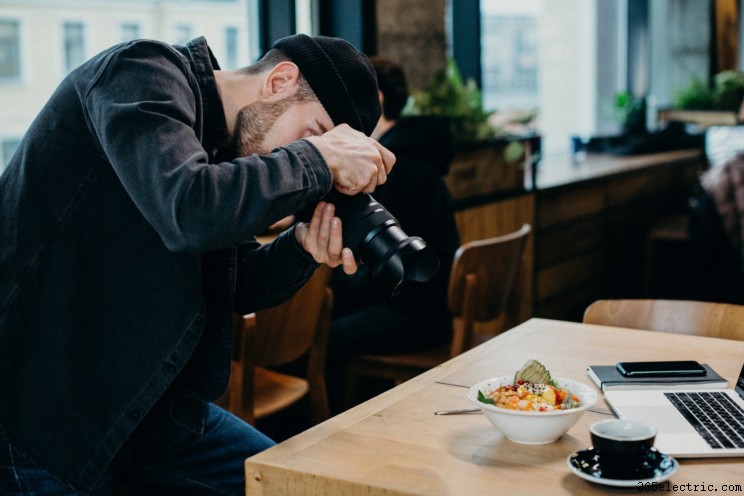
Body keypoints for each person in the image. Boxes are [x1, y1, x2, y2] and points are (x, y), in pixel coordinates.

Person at [0, 34, 394, 495]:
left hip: (141, 410)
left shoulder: (221, 150)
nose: (309, 154)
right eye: (313, 132)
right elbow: (188, 210)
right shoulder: (140, 73)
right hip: (38, 415)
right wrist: (320, 158)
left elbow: (235, 284)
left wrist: (301, 247)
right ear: (280, 81)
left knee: (291, 487)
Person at [326, 56, 461, 410]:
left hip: (415, 315)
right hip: (426, 306)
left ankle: (325, 434)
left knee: (320, 335)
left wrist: (335, 288)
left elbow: (395, 269)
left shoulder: (399, 167)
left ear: (378, 100)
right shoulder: (413, 153)